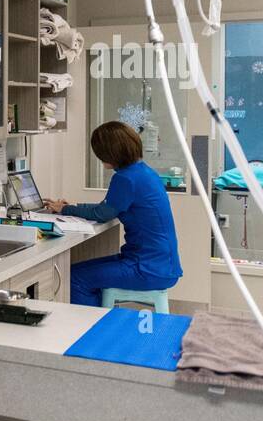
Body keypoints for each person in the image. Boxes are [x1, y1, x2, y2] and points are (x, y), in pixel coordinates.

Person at [43, 121, 182, 307]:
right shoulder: (145, 172)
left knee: (75, 279)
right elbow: (108, 207)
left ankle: (92, 331)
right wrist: (71, 207)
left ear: (111, 153)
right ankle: (102, 321)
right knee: (74, 271)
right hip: (162, 264)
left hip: (146, 268)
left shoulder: (125, 178)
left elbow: (102, 213)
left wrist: (65, 209)